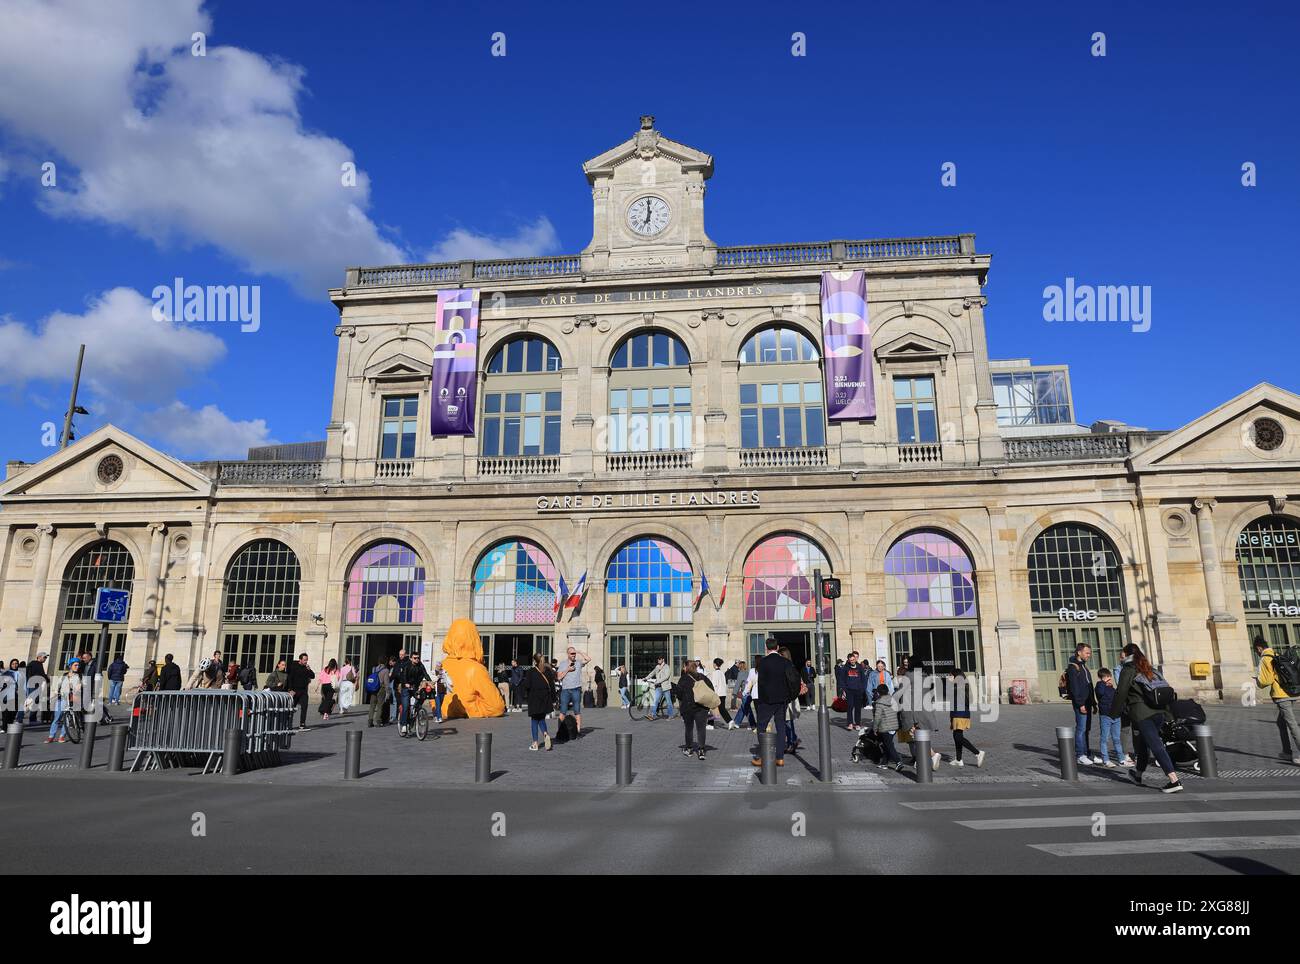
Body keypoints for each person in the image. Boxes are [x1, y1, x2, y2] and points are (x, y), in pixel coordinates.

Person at [1111, 643, 1183, 793]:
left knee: (1156, 745)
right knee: (1141, 745)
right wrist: (1168, 714)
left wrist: (1114, 713)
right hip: (1158, 712)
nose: (1120, 656)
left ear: (1126, 655)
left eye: (1121, 653)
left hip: (1142, 714)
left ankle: (1174, 780)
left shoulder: (1128, 669)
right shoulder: (1150, 668)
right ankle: (1137, 775)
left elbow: (1121, 692)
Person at [750, 637, 800, 769]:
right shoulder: (785, 662)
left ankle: (761, 756)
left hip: (767, 700)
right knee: (781, 727)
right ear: (777, 647)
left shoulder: (763, 663)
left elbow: (761, 684)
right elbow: (794, 679)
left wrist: (761, 701)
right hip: (782, 700)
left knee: (761, 727)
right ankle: (780, 758)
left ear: (766, 648)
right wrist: (790, 697)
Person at [1253, 636, 1300, 765]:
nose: (1257, 653)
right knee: (1281, 722)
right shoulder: (1275, 654)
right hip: (1290, 692)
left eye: (1256, 651)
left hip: (1281, 695)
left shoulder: (1265, 659)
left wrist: (1257, 680)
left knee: (1292, 724)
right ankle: (1286, 752)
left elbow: (1266, 680)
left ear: (1259, 648)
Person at [895, 666, 943, 769]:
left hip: (914, 716)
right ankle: (922, 759)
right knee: (917, 737)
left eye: (898, 675)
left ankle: (932, 755)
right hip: (920, 715)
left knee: (917, 736)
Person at [1066, 643, 1101, 766]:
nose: (1089, 655)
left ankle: (1087, 753)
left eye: (1090, 653)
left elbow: (1089, 687)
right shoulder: (1073, 667)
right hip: (1081, 703)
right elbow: (1075, 688)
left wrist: (1094, 704)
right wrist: (1080, 704)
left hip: (1088, 703)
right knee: (1081, 729)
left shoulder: (1084, 667)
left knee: (1086, 729)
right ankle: (1080, 755)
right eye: (1087, 653)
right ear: (1079, 652)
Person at [675, 659, 714, 760]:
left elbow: (679, 694)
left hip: (688, 708)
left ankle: (689, 749)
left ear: (687, 667)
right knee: (701, 729)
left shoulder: (683, 678)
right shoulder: (703, 677)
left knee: (689, 729)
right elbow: (711, 689)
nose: (683, 668)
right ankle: (701, 750)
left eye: (684, 666)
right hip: (702, 708)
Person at [1094, 667, 1132, 767]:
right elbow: (1100, 693)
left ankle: (1121, 759)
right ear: (1102, 677)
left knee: (1116, 739)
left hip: (1116, 716)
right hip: (1105, 716)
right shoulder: (1099, 686)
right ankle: (1105, 760)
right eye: (1106, 677)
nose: (1109, 678)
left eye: (1109, 676)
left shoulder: (1112, 688)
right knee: (1104, 739)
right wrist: (1103, 683)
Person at [947, 669, 985, 767]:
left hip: (960, 713)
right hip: (959, 713)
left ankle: (977, 753)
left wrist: (951, 684)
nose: (948, 677)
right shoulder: (960, 686)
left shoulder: (959, 686)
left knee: (958, 737)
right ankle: (959, 759)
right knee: (957, 736)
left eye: (950, 675)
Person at [522, 653, 555, 751]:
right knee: (541, 718)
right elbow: (552, 686)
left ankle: (535, 743)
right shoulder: (548, 671)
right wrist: (553, 699)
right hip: (545, 698)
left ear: (534, 661)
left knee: (534, 720)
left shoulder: (531, 672)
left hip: (534, 698)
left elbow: (527, 685)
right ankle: (545, 733)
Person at [870, 683, 906, 771]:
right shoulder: (893, 700)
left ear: (878, 693)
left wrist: (875, 729)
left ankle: (898, 762)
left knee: (889, 745)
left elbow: (877, 718)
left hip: (885, 727)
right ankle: (884, 763)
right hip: (895, 726)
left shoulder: (878, 703)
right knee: (887, 744)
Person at [46, 658, 83, 743]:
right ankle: (51, 736)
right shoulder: (64, 676)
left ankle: (62, 736)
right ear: (70, 666)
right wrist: (54, 693)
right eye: (75, 665)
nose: (77, 667)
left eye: (78, 665)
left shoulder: (79, 676)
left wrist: (79, 687)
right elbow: (57, 686)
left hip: (71, 699)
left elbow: (80, 685)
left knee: (67, 719)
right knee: (56, 718)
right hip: (61, 699)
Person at [554, 645, 589, 733]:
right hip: (566, 690)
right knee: (563, 711)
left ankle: (577, 731)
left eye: (574, 653)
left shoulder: (578, 662)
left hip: (576, 689)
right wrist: (567, 670)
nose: (574, 655)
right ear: (568, 654)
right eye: (572, 653)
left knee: (577, 711)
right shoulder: (563, 664)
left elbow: (588, 659)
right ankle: (560, 731)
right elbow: (558, 677)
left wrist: (579, 652)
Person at [395, 653, 430, 735]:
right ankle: (403, 725)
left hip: (415, 687)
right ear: (411, 658)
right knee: (406, 706)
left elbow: (425, 674)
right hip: (406, 688)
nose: (417, 659)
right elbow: (403, 676)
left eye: (418, 658)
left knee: (421, 698)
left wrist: (430, 681)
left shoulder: (420, 665)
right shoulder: (407, 665)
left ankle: (415, 716)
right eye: (415, 658)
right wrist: (405, 683)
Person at [779, 646, 805, 752]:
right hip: (789, 697)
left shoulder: (787, 667)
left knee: (787, 721)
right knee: (788, 721)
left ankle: (791, 742)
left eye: (780, 656)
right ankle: (792, 740)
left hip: (787, 698)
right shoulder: (791, 666)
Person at [839, 652, 869, 731]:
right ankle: (850, 723)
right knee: (850, 707)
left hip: (858, 690)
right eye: (851, 660)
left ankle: (858, 723)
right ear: (848, 660)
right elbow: (842, 680)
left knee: (858, 708)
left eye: (853, 659)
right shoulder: (845, 668)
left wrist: (862, 688)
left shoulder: (860, 667)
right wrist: (845, 689)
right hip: (849, 691)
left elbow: (864, 679)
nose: (852, 661)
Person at [286, 653, 315, 730]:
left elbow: (313, 676)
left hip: (303, 691)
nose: (306, 661)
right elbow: (290, 678)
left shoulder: (306, 668)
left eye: (307, 660)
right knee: (292, 708)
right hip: (295, 690)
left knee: (304, 707)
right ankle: (288, 724)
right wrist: (290, 689)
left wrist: (309, 669)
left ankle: (302, 724)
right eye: (304, 660)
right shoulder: (294, 667)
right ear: (300, 660)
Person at [707, 657, 735, 730]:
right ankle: (712, 724)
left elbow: (714, 685)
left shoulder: (715, 673)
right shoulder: (722, 673)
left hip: (717, 694)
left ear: (715, 664)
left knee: (713, 708)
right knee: (720, 709)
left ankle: (711, 724)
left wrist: (712, 694)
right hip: (723, 693)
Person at [645, 656, 674, 720]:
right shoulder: (657, 667)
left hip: (665, 687)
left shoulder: (667, 667)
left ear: (663, 659)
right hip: (658, 687)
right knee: (656, 701)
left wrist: (658, 681)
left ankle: (671, 715)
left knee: (668, 702)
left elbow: (666, 677)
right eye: (658, 659)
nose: (658, 660)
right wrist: (646, 678)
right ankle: (653, 715)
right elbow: (652, 673)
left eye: (660, 659)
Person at [367, 659, 390, 728]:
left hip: (373, 689)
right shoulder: (386, 670)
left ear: (378, 662)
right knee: (380, 705)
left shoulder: (374, 669)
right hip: (381, 689)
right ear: (385, 662)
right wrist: (388, 692)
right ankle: (378, 721)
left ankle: (370, 721)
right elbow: (386, 682)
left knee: (372, 705)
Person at [735, 661, 758, 729]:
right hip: (751, 692)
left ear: (740, 666)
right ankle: (736, 722)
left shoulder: (740, 673)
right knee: (743, 708)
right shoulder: (748, 672)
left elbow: (738, 684)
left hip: (745, 692)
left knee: (747, 709)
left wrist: (734, 693)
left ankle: (752, 724)